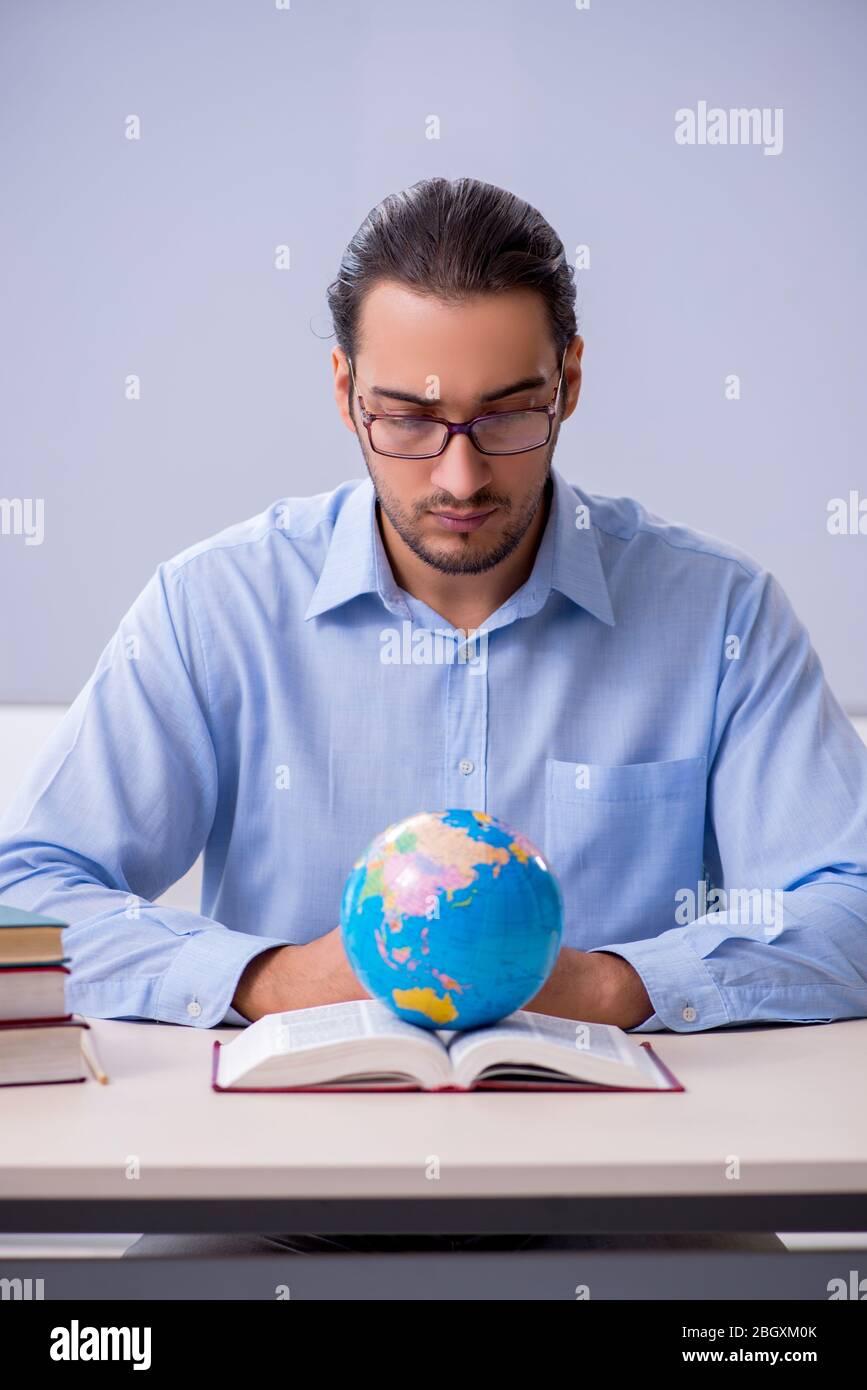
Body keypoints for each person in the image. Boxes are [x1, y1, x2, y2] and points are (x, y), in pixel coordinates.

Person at [3, 178, 864, 1259]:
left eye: (506, 411)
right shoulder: (212, 607)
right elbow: (26, 889)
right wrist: (266, 978)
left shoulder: (720, 614)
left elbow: (854, 899)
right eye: (407, 417)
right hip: (270, 1210)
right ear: (343, 390)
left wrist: (621, 984)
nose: (459, 474)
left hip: (647, 1199)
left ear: (572, 381)